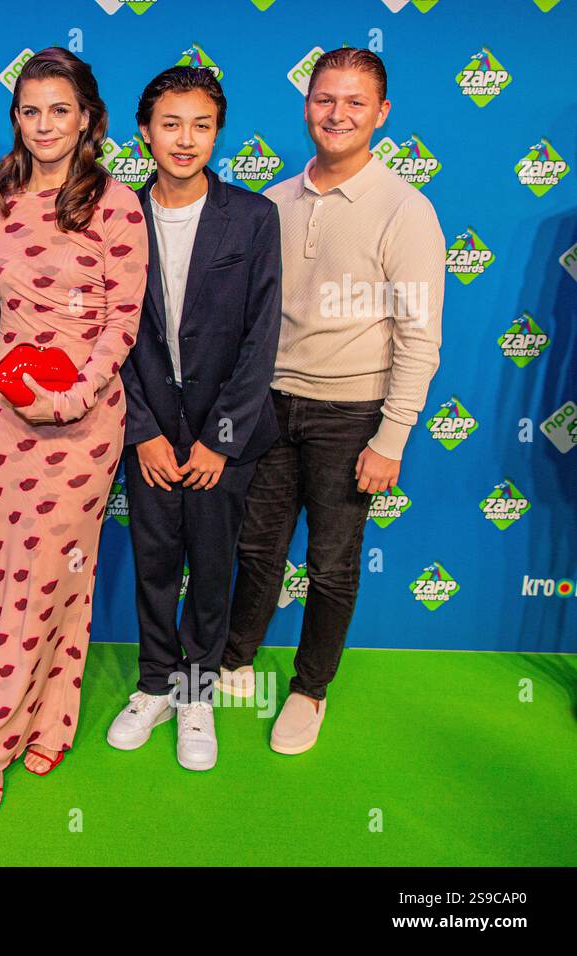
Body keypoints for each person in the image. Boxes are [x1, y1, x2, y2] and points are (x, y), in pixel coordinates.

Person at [219, 48, 444, 754]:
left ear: (381, 114)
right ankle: (234, 660)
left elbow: (420, 334)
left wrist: (393, 437)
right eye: (324, 99)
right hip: (270, 406)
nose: (336, 114)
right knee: (256, 548)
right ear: (306, 103)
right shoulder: (276, 202)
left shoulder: (406, 209)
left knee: (333, 563)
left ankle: (310, 690)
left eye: (354, 102)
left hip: (352, 417)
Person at [0, 48, 148, 814]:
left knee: (57, 571)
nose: (44, 125)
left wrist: (70, 399)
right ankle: (30, 721)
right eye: (30, 110)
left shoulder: (116, 204)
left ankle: (4, 737)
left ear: (87, 119)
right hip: (7, 417)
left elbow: (123, 322)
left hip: (83, 421)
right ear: (16, 119)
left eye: (59, 110)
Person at [108, 67, 282, 771]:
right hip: (148, 425)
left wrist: (222, 439)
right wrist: (142, 429)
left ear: (218, 131)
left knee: (211, 567)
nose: (186, 139)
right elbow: (109, 334)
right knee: (154, 561)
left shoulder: (253, 216)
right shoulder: (115, 214)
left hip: (223, 433)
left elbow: (261, 335)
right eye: (171, 124)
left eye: (201, 125)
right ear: (145, 131)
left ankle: (195, 692)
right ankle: (154, 683)